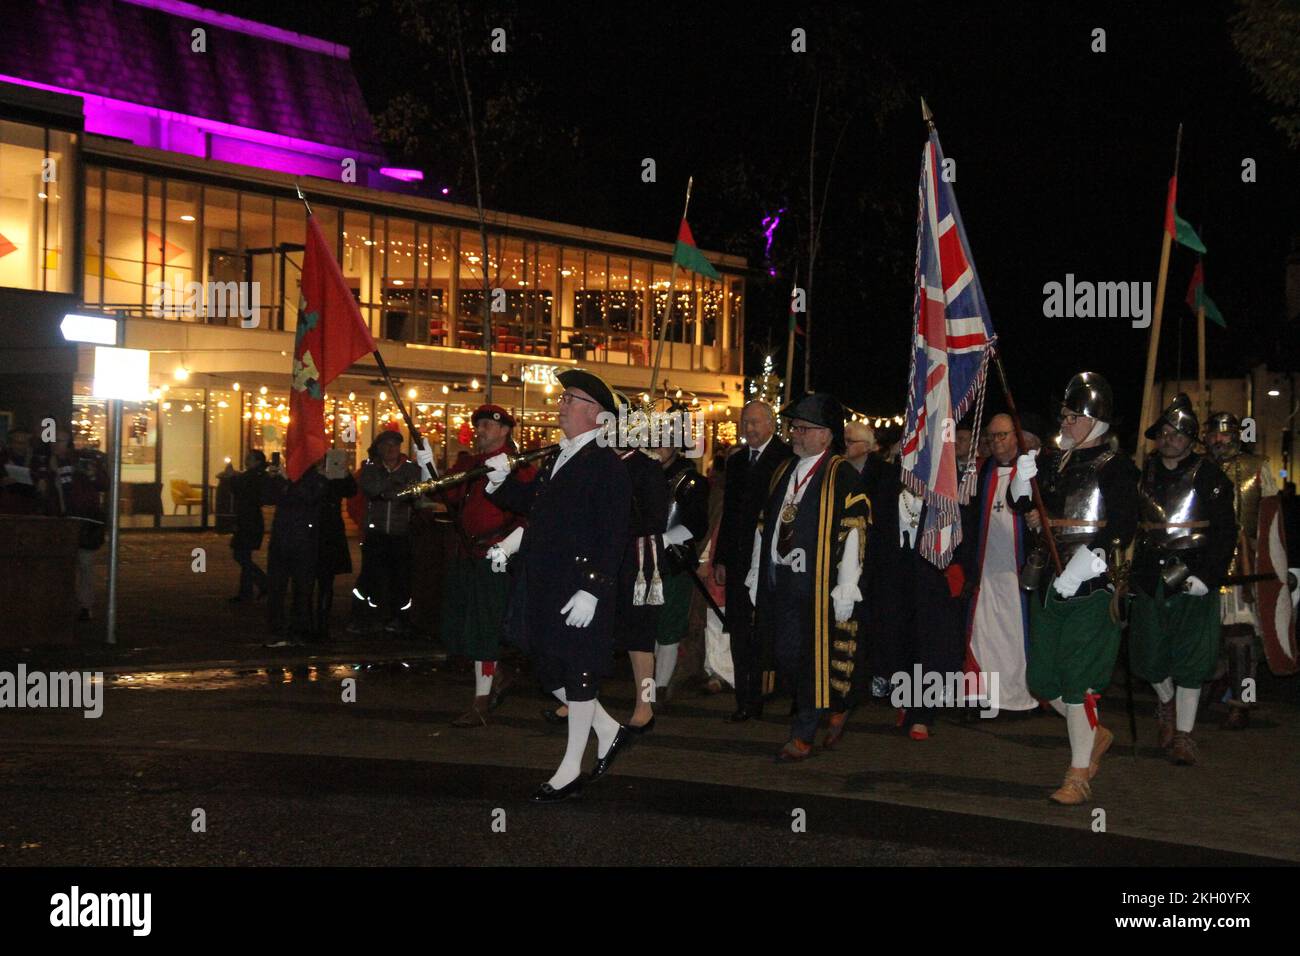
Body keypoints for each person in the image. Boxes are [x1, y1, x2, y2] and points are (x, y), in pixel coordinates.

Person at [485, 368, 632, 802]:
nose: (561, 404)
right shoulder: (560, 456)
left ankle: (571, 768)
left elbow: (614, 533)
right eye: (563, 397)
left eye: (571, 399)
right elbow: (538, 509)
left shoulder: (607, 465)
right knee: (545, 662)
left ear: (595, 413)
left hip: (579, 586)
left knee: (578, 670)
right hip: (547, 580)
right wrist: (500, 483)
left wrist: (594, 587)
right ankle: (608, 730)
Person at [1009, 372, 1138, 805]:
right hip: (1048, 577)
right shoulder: (1052, 461)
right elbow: (1025, 507)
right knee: (1044, 682)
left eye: (1073, 415)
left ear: (1096, 420)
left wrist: (1085, 564)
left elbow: (1122, 525)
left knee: (1080, 682)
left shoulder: (1117, 467)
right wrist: (1020, 480)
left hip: (1093, 583)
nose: (1065, 421)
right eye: (1063, 415)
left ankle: (1078, 774)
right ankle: (1095, 732)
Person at [747, 393, 868, 759]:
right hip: (781, 581)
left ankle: (802, 733)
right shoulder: (784, 471)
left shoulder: (841, 474)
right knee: (786, 656)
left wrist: (847, 585)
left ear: (825, 435)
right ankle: (834, 705)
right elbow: (765, 525)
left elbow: (854, 532)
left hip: (817, 587)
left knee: (812, 659)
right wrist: (756, 569)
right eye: (794, 427)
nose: (795, 434)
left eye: (803, 428)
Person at [1129, 395, 1236, 766]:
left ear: (1192, 439)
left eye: (1179, 433)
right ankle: (1166, 702)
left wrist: (1208, 575)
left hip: (1193, 574)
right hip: (1149, 575)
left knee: (1191, 657)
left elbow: (1225, 532)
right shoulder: (1142, 474)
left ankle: (1185, 735)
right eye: (1166, 432)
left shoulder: (1210, 477)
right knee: (1149, 655)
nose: (1171, 437)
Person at [439, 404, 536, 727]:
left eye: (487, 425)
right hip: (469, 555)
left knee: (486, 630)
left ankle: (481, 700)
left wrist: (507, 548)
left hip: (496, 557)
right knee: (466, 626)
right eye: (478, 424)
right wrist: (429, 469)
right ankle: (496, 678)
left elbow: (530, 513)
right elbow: (449, 495)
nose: (480, 430)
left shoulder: (517, 466)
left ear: (504, 430)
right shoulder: (471, 464)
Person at [714, 400, 793, 722]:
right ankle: (745, 698)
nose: (749, 429)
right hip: (738, 559)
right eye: (745, 423)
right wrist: (721, 559)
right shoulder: (736, 463)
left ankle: (772, 692)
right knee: (740, 628)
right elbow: (729, 515)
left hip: (769, 560)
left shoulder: (785, 460)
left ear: (771, 424)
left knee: (769, 629)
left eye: (755, 422)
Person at [959, 413, 1037, 714]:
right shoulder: (982, 472)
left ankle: (1019, 695)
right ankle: (984, 694)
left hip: (1019, 572)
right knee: (985, 632)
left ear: (1017, 437)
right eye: (992, 437)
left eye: (1002, 435)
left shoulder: (1031, 472)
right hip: (987, 572)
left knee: (1016, 633)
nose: (996, 442)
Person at [1203, 410, 1275, 729]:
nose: (1219, 440)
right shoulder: (1199, 468)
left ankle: (1243, 700)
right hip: (1203, 560)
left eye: (1225, 434)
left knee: (1240, 636)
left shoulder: (1257, 467)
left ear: (1237, 435)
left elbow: (1273, 521)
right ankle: (1204, 689)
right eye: (1213, 434)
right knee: (1204, 632)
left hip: (1244, 560)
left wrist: (1270, 558)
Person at [607, 401, 669, 732]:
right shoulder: (598, 462)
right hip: (604, 558)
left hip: (639, 561)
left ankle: (645, 703)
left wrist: (614, 524)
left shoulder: (646, 467)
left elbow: (654, 519)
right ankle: (576, 696)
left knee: (640, 636)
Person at [653, 426, 711, 703]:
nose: (657, 447)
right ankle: (647, 684)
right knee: (647, 625)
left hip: (673, 563)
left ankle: (660, 686)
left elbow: (697, 526)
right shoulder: (644, 475)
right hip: (644, 563)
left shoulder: (691, 481)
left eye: (663, 443)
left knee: (669, 625)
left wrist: (662, 540)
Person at [355, 429, 430, 635]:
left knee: (401, 578)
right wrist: (396, 488)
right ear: (379, 448)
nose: (391, 449)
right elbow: (373, 489)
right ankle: (371, 617)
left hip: (401, 533)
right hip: (376, 532)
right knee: (372, 576)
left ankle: (400, 618)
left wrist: (394, 491)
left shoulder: (411, 469)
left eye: (395, 445)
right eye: (387, 445)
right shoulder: (371, 468)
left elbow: (417, 493)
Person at [45, 428, 109, 620]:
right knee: (63, 564)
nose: (57, 444)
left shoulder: (81, 460)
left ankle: (85, 605)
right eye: (54, 440)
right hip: (61, 519)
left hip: (83, 519)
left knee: (84, 563)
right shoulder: (48, 462)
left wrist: (91, 474)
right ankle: (64, 602)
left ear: (69, 443)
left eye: (61, 441)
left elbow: (103, 484)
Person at [265, 459, 329, 643]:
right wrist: (272, 479)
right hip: (281, 539)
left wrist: (289, 481)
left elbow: (309, 498)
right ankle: (277, 627)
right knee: (277, 587)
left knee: (302, 589)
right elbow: (268, 497)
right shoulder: (287, 479)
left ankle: (299, 628)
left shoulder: (317, 479)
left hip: (304, 541)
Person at [697, 452, 734, 695]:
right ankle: (716, 670)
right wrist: (704, 559)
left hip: (727, 565)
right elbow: (711, 530)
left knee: (722, 622)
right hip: (716, 566)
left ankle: (724, 671)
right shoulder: (720, 495)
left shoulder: (729, 495)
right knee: (714, 621)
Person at [314, 456, 357, 642]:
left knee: (326, 581)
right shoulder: (310, 477)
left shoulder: (336, 478)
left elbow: (351, 491)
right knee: (308, 580)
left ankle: (322, 624)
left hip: (330, 532)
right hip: (313, 530)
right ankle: (310, 623)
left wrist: (344, 473)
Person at [228, 450, 270, 604]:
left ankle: (260, 585)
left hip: (248, 519)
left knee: (241, 555)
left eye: (249, 459)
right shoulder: (258, 475)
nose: (246, 461)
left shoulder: (253, 476)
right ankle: (249, 590)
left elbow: (239, 490)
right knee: (243, 555)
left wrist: (232, 477)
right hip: (251, 519)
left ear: (257, 461)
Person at [0, 427, 44, 515]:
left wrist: (41, 483)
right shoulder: (2, 458)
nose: (20, 446)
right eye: (17, 443)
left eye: (24, 443)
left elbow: (41, 479)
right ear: (10, 443)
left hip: (30, 505)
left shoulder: (36, 459)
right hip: (6, 505)